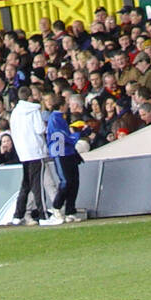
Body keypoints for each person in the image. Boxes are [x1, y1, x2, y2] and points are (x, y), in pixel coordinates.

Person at [9, 85, 52, 225]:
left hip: (23, 152)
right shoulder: (34, 111)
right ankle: (43, 215)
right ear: (29, 97)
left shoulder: (14, 113)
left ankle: (18, 214)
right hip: (35, 151)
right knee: (37, 185)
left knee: (25, 184)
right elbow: (40, 129)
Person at [47, 93, 86, 223]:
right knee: (66, 181)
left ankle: (70, 210)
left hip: (68, 152)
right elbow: (61, 136)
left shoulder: (60, 118)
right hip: (60, 153)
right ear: (62, 106)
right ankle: (56, 207)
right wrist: (78, 135)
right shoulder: (55, 119)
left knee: (74, 181)